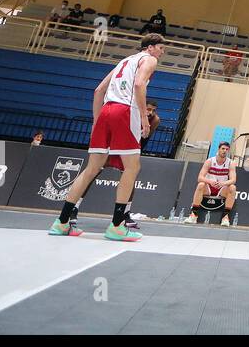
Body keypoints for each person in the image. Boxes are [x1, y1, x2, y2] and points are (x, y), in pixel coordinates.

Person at [48, 33, 164, 240]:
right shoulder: (150, 59)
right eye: (161, 48)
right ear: (151, 47)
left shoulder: (124, 61)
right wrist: (144, 119)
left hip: (106, 111)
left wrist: (96, 120)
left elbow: (98, 90)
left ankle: (62, 222)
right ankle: (117, 226)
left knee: (91, 169)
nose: (162, 52)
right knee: (132, 167)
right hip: (125, 112)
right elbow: (138, 84)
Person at [186, 142, 237, 225]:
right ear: (219, 149)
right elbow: (200, 178)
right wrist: (210, 181)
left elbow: (233, 180)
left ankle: (225, 217)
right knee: (201, 184)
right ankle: (194, 215)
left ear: (228, 151)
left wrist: (223, 183)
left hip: (221, 188)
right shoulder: (209, 161)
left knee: (232, 187)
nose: (224, 151)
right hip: (209, 187)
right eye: (223, 149)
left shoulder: (231, 163)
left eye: (227, 149)